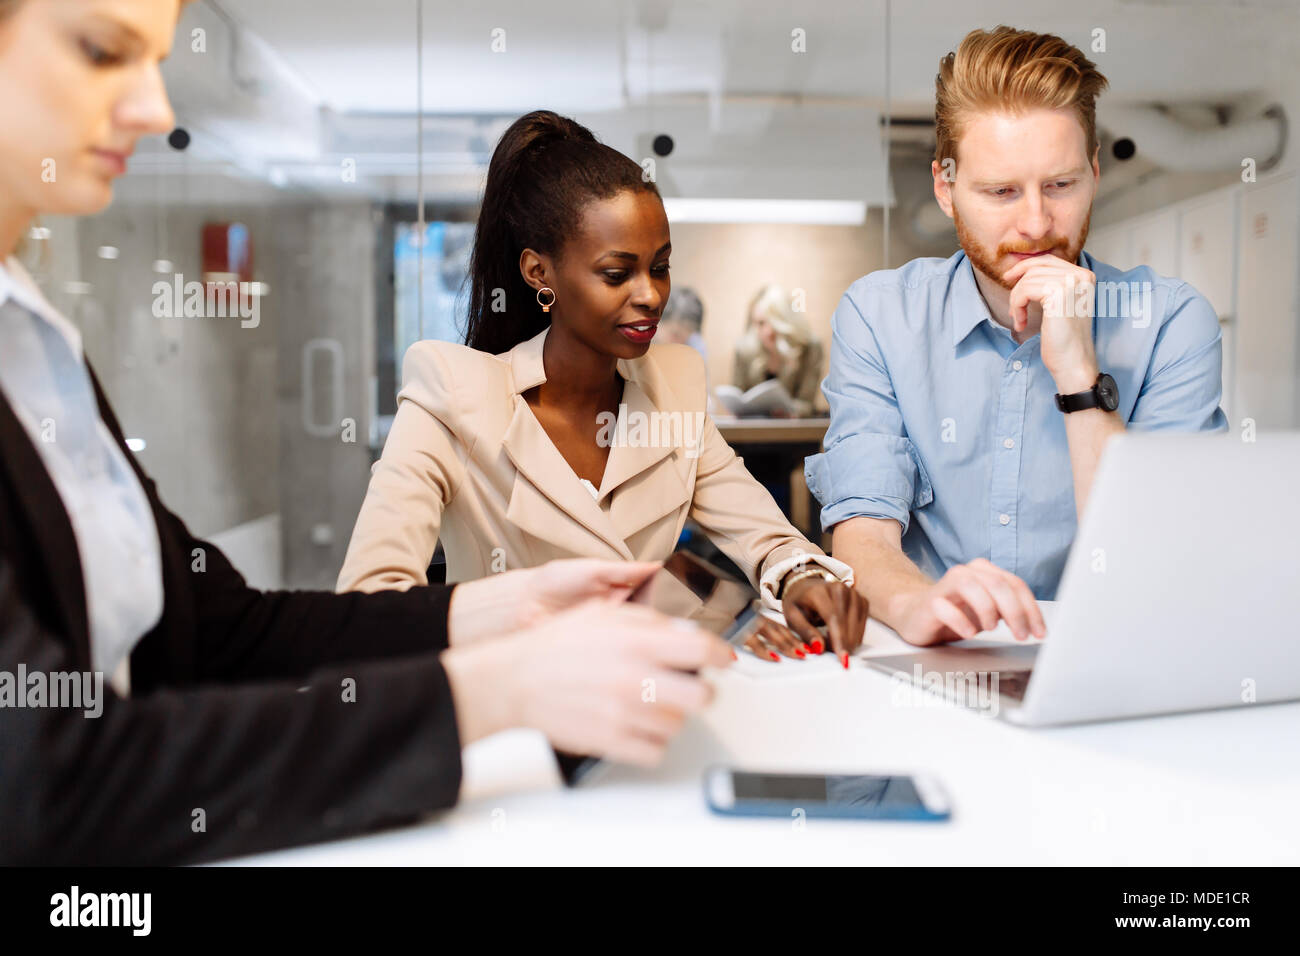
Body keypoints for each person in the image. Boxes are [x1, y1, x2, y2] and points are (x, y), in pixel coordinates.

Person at [0, 0, 733, 865]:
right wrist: (490, 692)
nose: (156, 107)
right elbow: (46, 780)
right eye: (100, 50)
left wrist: (488, 610)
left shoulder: (34, 343)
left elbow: (220, 634)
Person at [336, 111, 869, 665]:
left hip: (650, 706)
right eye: (617, 273)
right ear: (540, 273)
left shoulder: (675, 384)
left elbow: (764, 535)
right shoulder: (451, 392)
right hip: (514, 714)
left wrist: (803, 579)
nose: (650, 296)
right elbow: (371, 602)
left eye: (659, 267)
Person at [805, 26, 1228, 649]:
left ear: (1094, 174)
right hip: (935, 656)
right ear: (945, 188)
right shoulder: (879, 315)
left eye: (1061, 185)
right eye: (1001, 191)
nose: (1036, 223)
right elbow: (864, 532)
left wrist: (1080, 378)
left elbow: (1158, 558)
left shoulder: (1171, 324)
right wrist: (919, 603)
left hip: (1114, 651)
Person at [731, 283, 825, 418]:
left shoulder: (810, 348)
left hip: (795, 433)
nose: (767, 331)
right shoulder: (744, 350)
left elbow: (806, 403)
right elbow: (736, 398)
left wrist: (791, 410)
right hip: (753, 433)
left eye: (772, 322)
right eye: (760, 324)